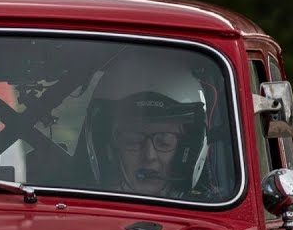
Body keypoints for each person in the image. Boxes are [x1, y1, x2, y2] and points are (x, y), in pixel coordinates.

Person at [80, 49, 213, 198]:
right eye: (133, 139)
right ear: (107, 147)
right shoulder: (77, 207)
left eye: (164, 141)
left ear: (186, 151)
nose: (149, 156)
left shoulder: (213, 210)